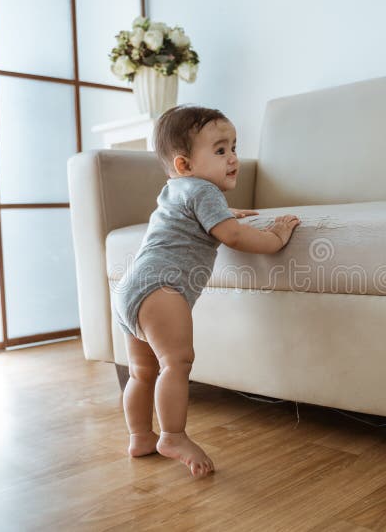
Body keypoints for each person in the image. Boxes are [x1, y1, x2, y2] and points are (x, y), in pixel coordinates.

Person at [112, 104, 301, 478]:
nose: (233, 158)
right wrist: (274, 236)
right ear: (184, 164)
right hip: (163, 288)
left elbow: (203, 219)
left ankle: (140, 435)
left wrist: (226, 211)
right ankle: (173, 435)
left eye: (234, 147)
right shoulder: (204, 190)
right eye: (220, 150)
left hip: (132, 286)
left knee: (141, 371)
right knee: (176, 363)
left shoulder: (175, 190)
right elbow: (232, 236)